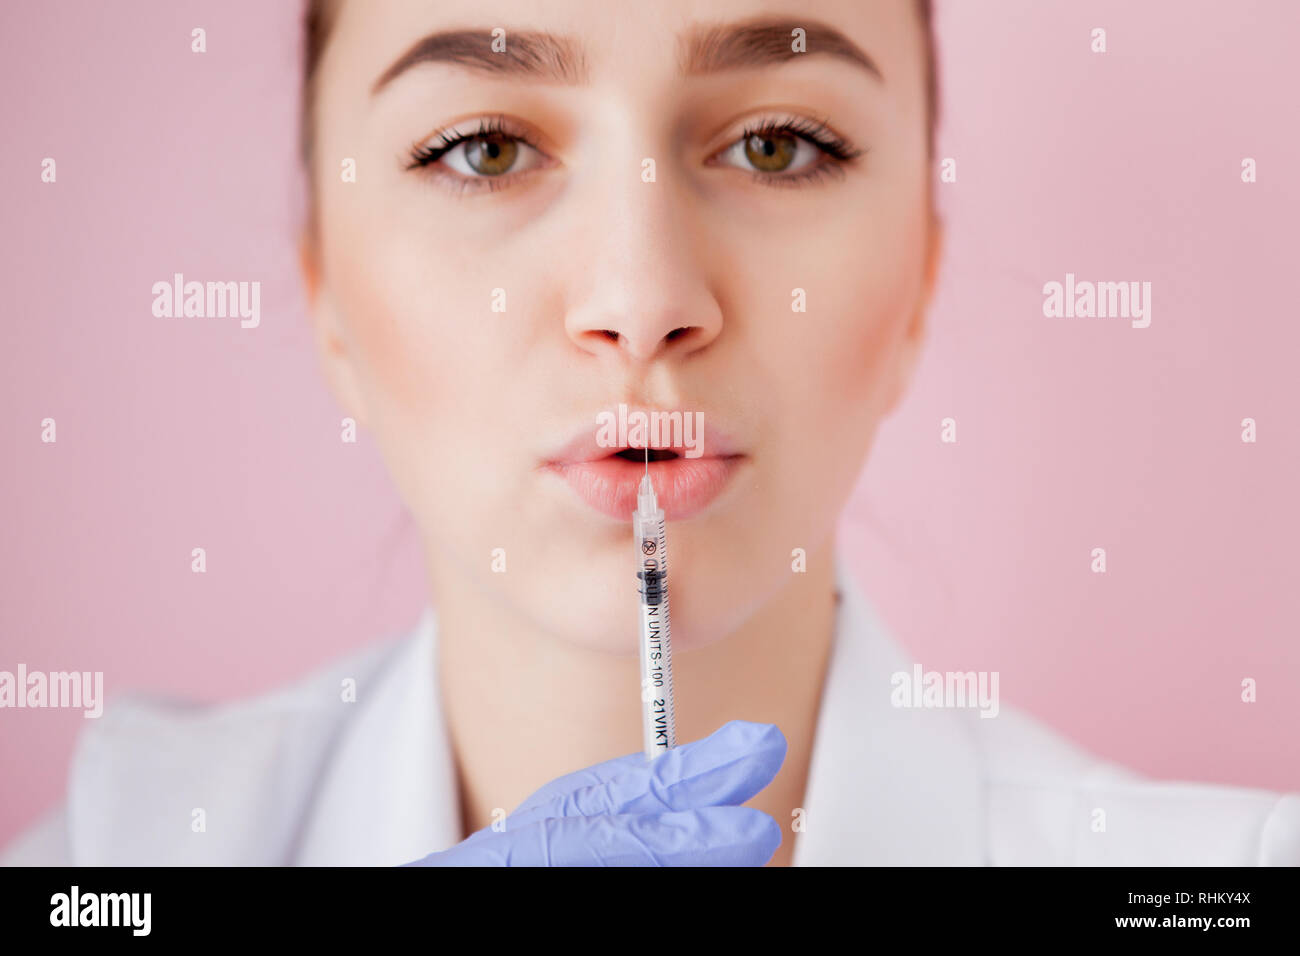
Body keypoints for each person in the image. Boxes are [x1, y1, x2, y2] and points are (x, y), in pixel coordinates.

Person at [4, 0, 1297, 866]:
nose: (642, 297)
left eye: (780, 144)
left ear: (919, 284)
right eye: (485, 148)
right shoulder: (126, 851)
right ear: (326, 295)